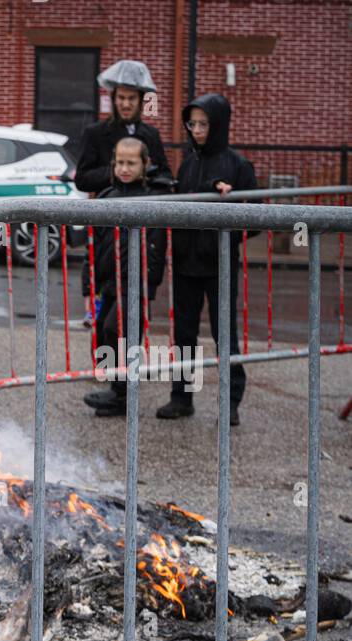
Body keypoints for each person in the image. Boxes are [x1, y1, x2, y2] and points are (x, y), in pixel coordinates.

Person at [160, 93, 257, 424]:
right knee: (184, 334)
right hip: (186, 263)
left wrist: (227, 230)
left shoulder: (238, 165)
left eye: (203, 124)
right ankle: (181, 396)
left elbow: (257, 217)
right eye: (193, 123)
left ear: (218, 126)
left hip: (220, 266)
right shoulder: (188, 162)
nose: (197, 130)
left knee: (224, 335)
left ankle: (230, 403)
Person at [81, 137, 175, 417]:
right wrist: (90, 284)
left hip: (135, 282)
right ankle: (117, 391)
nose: (124, 168)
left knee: (120, 331)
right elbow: (93, 243)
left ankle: (123, 393)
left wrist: (149, 283)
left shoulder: (153, 196)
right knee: (104, 332)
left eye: (131, 163)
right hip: (110, 281)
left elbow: (157, 247)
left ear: (145, 164)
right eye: (119, 162)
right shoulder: (107, 196)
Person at [74, 60, 170, 195]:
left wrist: (145, 172)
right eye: (121, 97)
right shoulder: (94, 133)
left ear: (141, 100)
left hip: (144, 208)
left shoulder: (152, 134)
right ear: (113, 99)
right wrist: (116, 170)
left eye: (131, 98)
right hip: (107, 208)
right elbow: (82, 180)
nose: (125, 104)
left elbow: (165, 175)